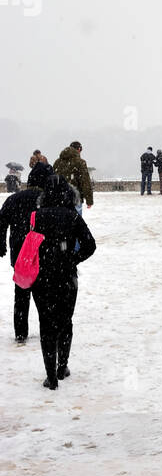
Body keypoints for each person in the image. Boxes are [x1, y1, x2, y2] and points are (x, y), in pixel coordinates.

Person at [29, 174, 97, 388]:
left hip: (42, 278)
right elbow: (90, 245)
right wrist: (71, 259)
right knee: (65, 321)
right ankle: (62, 367)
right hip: (67, 277)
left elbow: (30, 247)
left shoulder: (36, 216)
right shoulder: (72, 216)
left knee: (46, 324)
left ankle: (50, 376)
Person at [0, 161, 53, 344]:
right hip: (43, 254)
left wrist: (1, 245)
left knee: (21, 295)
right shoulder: (49, 200)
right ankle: (47, 331)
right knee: (44, 297)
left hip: (20, 254)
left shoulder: (14, 199)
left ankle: (21, 332)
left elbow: (1, 223)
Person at [53, 141, 93, 213]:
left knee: (62, 222)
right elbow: (85, 182)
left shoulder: (57, 162)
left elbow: (52, 180)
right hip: (75, 198)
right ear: (78, 150)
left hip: (59, 198)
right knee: (76, 222)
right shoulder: (80, 162)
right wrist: (89, 200)